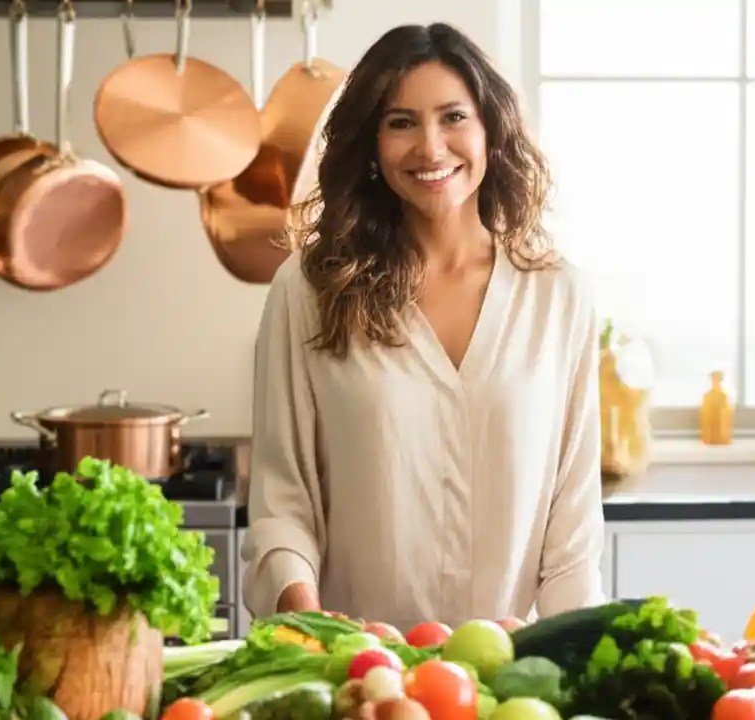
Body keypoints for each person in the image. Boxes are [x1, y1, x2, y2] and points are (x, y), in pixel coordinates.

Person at [240, 21, 607, 632]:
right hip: (360, 677)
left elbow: (571, 534)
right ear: (373, 145)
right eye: (401, 122)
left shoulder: (557, 295)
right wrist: (315, 632)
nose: (431, 149)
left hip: (508, 684)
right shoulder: (308, 290)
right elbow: (283, 503)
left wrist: (567, 667)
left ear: (492, 129)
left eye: (454, 117)